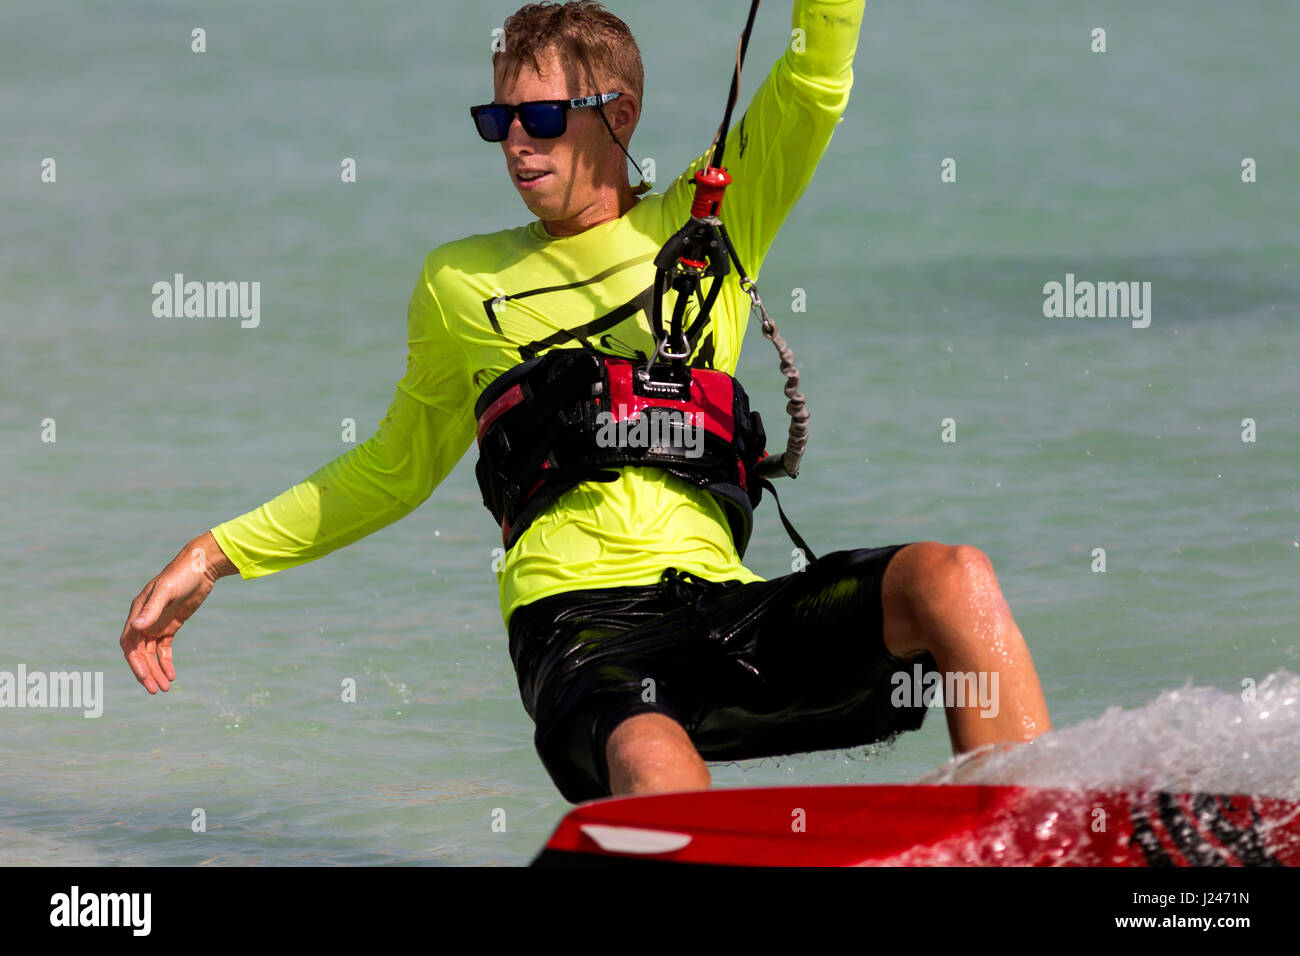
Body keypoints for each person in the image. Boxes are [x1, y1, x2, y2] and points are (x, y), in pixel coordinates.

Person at [121, 0, 1051, 805]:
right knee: (649, 747)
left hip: (721, 607)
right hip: (580, 629)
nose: (518, 143)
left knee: (952, 576)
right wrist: (216, 553)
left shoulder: (710, 219)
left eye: (543, 117)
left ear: (620, 114)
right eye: (498, 120)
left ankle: (1032, 835)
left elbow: (814, 78)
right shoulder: (460, 282)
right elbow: (395, 468)